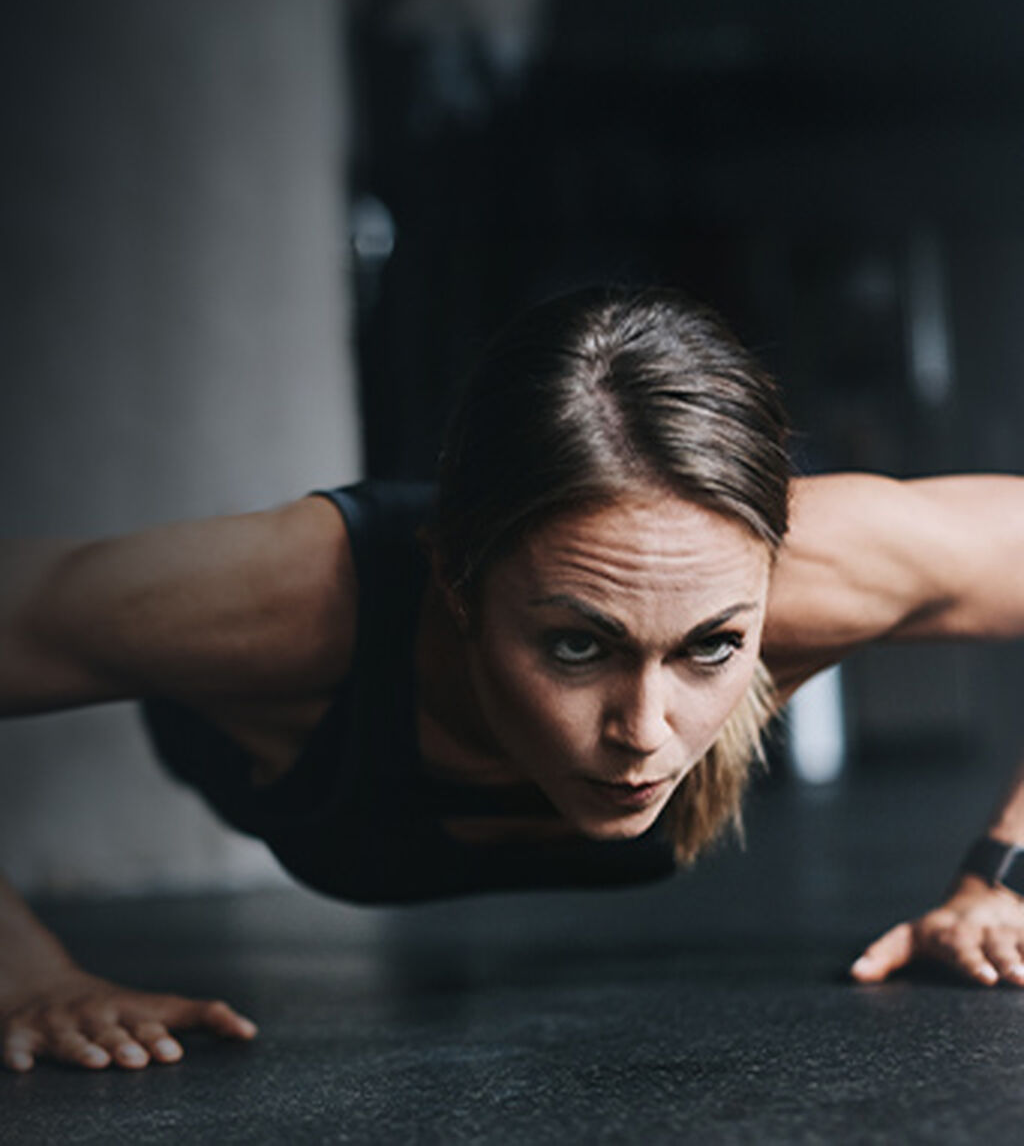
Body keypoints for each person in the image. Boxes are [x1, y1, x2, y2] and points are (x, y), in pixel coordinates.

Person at [1, 286, 1023, 1075]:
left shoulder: (817, 566)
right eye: (579, 646)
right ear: (452, 578)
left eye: (710, 647)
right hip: (234, 738)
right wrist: (24, 972)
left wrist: (1000, 876)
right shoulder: (290, 600)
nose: (646, 732)